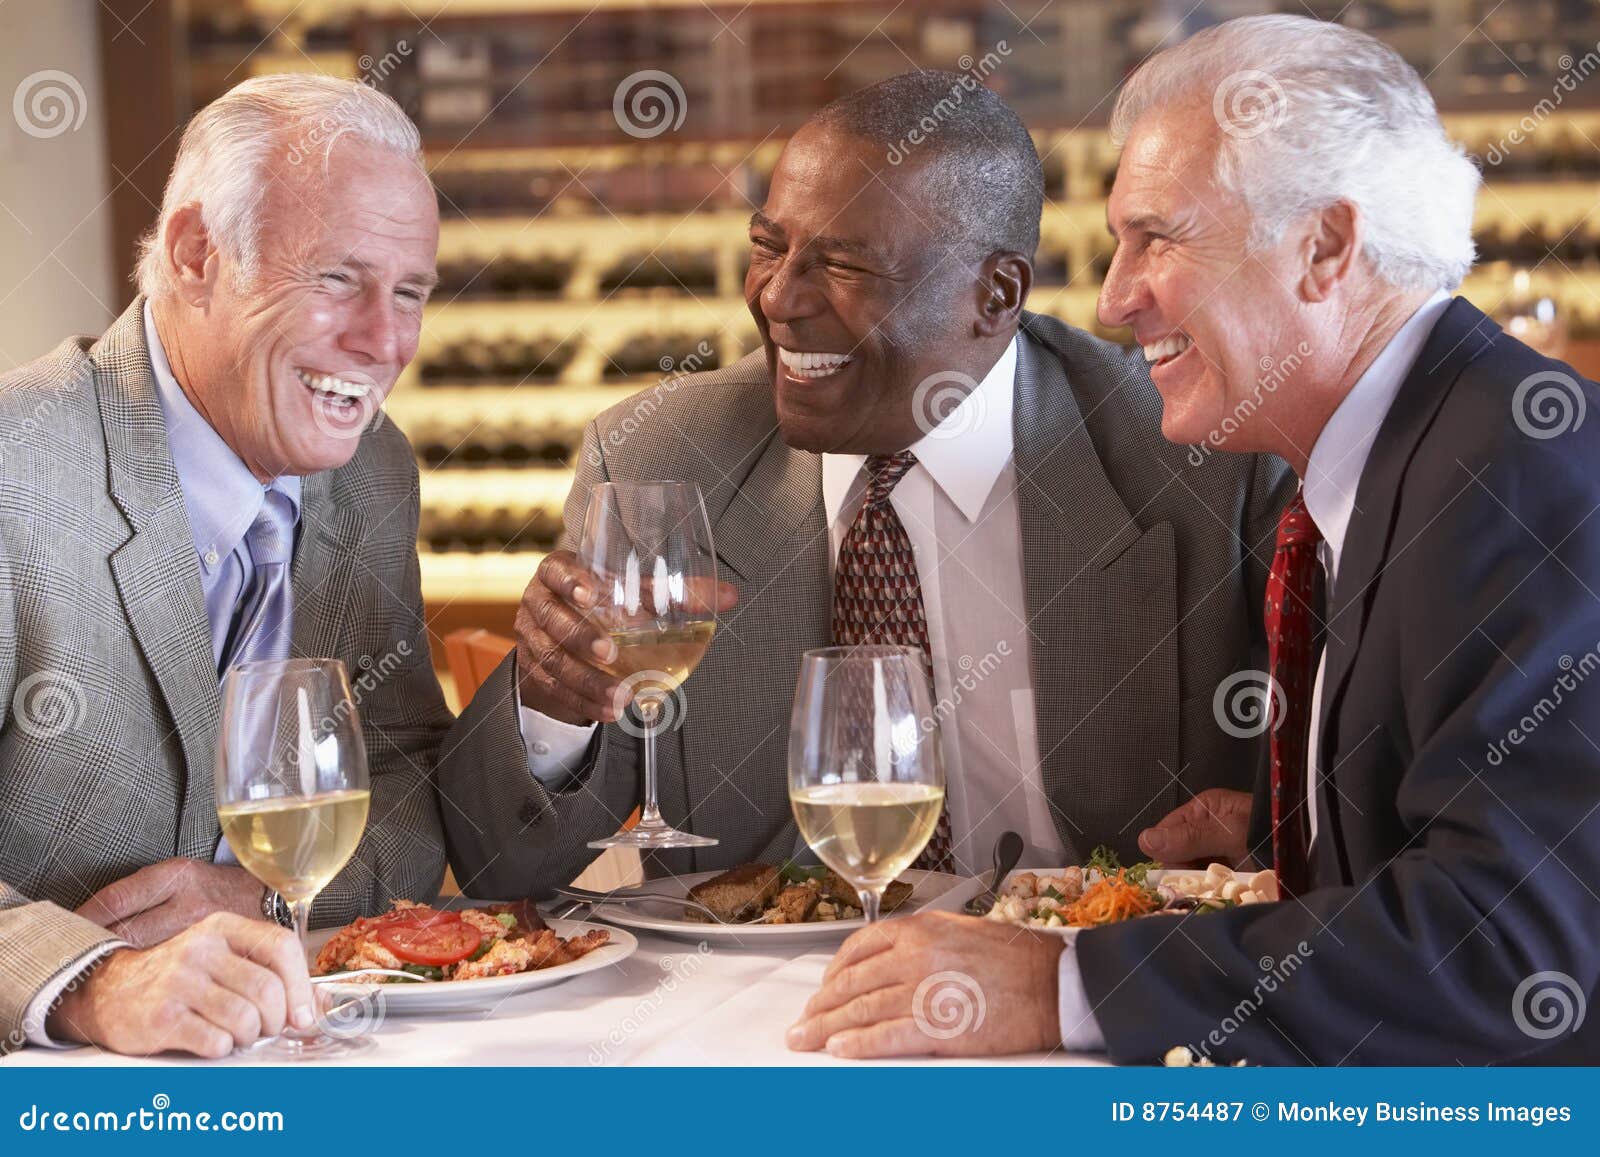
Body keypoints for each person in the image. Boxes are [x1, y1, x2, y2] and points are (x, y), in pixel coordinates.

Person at [788, 15, 1600, 1065]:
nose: (1114, 297)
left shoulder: (1515, 471)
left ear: (1324, 248)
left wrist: (1059, 983)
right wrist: (1290, 828)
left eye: (1157, 238)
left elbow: (1505, 944)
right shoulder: (1414, 448)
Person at [443, 71, 1292, 897]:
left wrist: (1276, 831)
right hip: (766, 984)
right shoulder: (662, 456)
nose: (778, 299)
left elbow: (1337, 819)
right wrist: (550, 703)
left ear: (995, 295)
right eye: (769, 247)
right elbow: (503, 868)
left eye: (844, 266)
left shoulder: (1205, 454)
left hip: (1091, 966)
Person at [0, 74, 560, 1057]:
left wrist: (260, 891)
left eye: (411, 292)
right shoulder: (19, 466)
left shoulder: (372, 473)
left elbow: (405, 777)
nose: (385, 341)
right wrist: (91, 981)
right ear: (196, 254)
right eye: (338, 278)